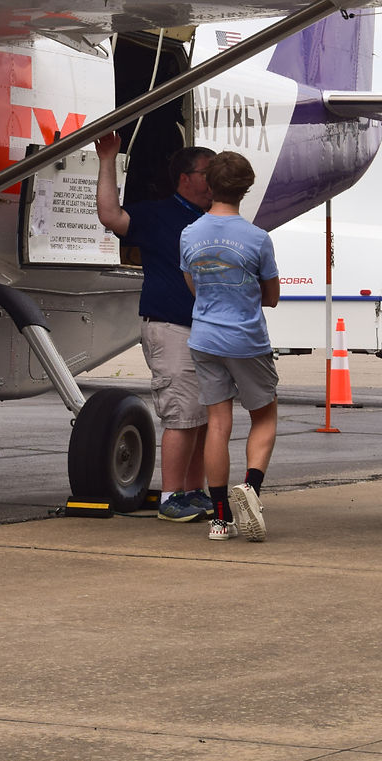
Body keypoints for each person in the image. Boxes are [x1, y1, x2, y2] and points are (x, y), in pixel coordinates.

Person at [95, 132, 215, 522]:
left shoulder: (215, 219)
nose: (215, 180)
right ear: (185, 177)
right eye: (208, 173)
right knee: (181, 414)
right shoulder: (158, 214)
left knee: (202, 415)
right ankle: (171, 497)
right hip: (172, 327)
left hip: (208, 330)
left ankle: (195, 492)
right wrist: (108, 158)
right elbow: (111, 216)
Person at [180, 150, 279, 543]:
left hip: (204, 337)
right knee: (264, 416)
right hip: (246, 339)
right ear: (247, 188)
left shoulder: (189, 233)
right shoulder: (257, 238)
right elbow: (270, 296)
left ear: (209, 185)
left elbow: (193, 286)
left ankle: (219, 518)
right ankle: (250, 491)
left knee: (217, 425)